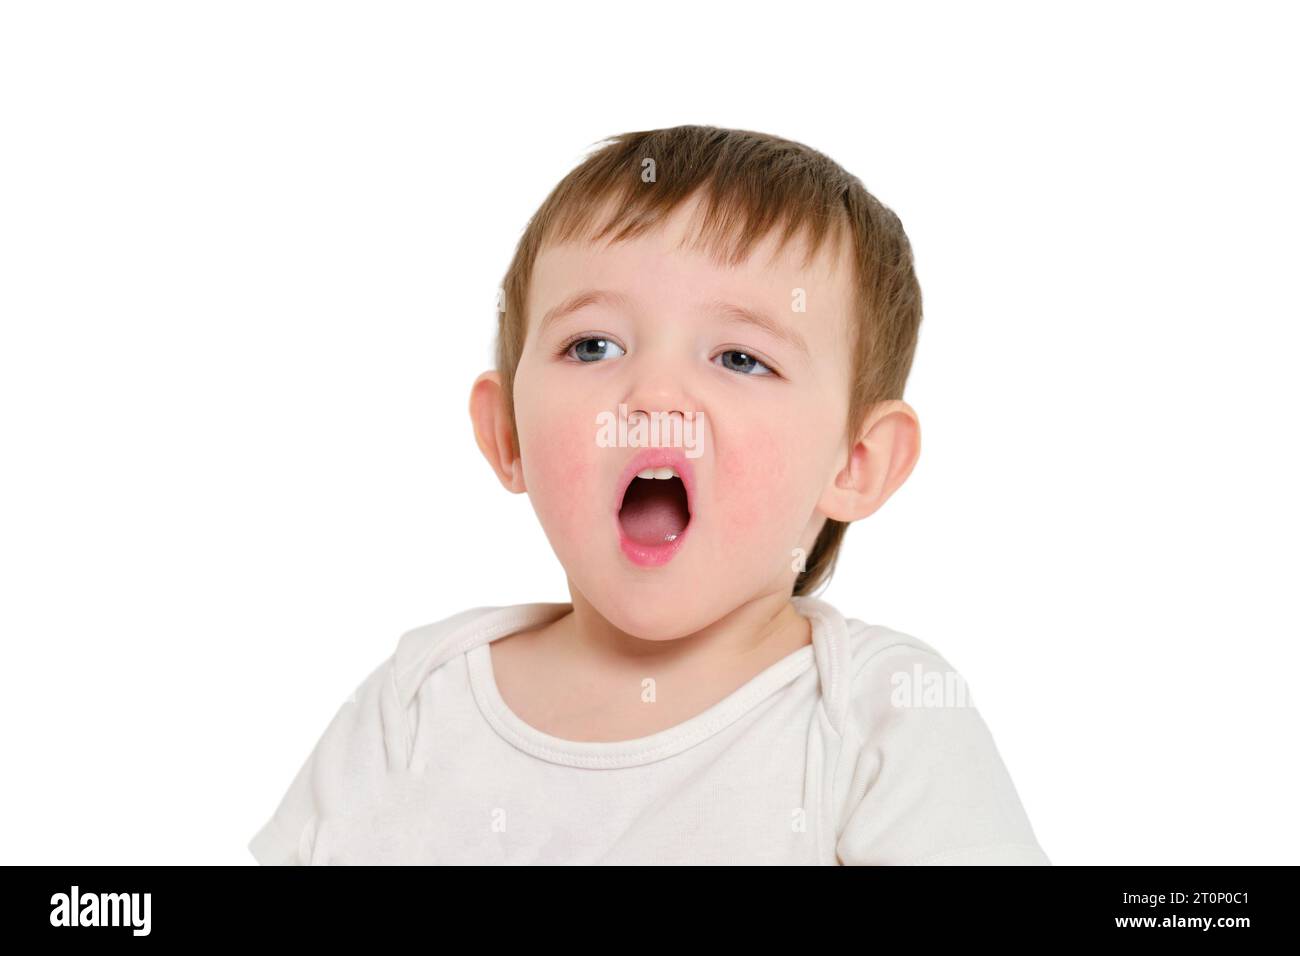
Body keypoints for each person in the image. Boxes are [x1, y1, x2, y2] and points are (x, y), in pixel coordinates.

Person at [248, 125, 1050, 865]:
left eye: (740, 358)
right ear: (507, 434)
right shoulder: (419, 701)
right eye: (592, 345)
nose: (655, 392)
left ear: (858, 462)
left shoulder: (876, 720)